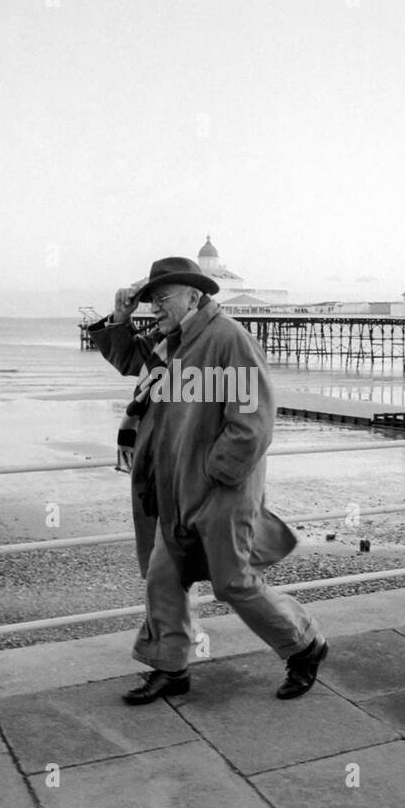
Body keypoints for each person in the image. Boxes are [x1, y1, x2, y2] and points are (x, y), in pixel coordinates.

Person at [87, 256, 328, 704]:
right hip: (172, 489)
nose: (154, 308)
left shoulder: (226, 339)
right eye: (150, 301)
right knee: (163, 577)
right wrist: (119, 321)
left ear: (194, 296)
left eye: (162, 299)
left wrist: (214, 474)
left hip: (221, 491)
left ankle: (305, 644)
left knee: (233, 582)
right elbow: (131, 363)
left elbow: (253, 421)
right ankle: (170, 668)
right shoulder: (170, 344)